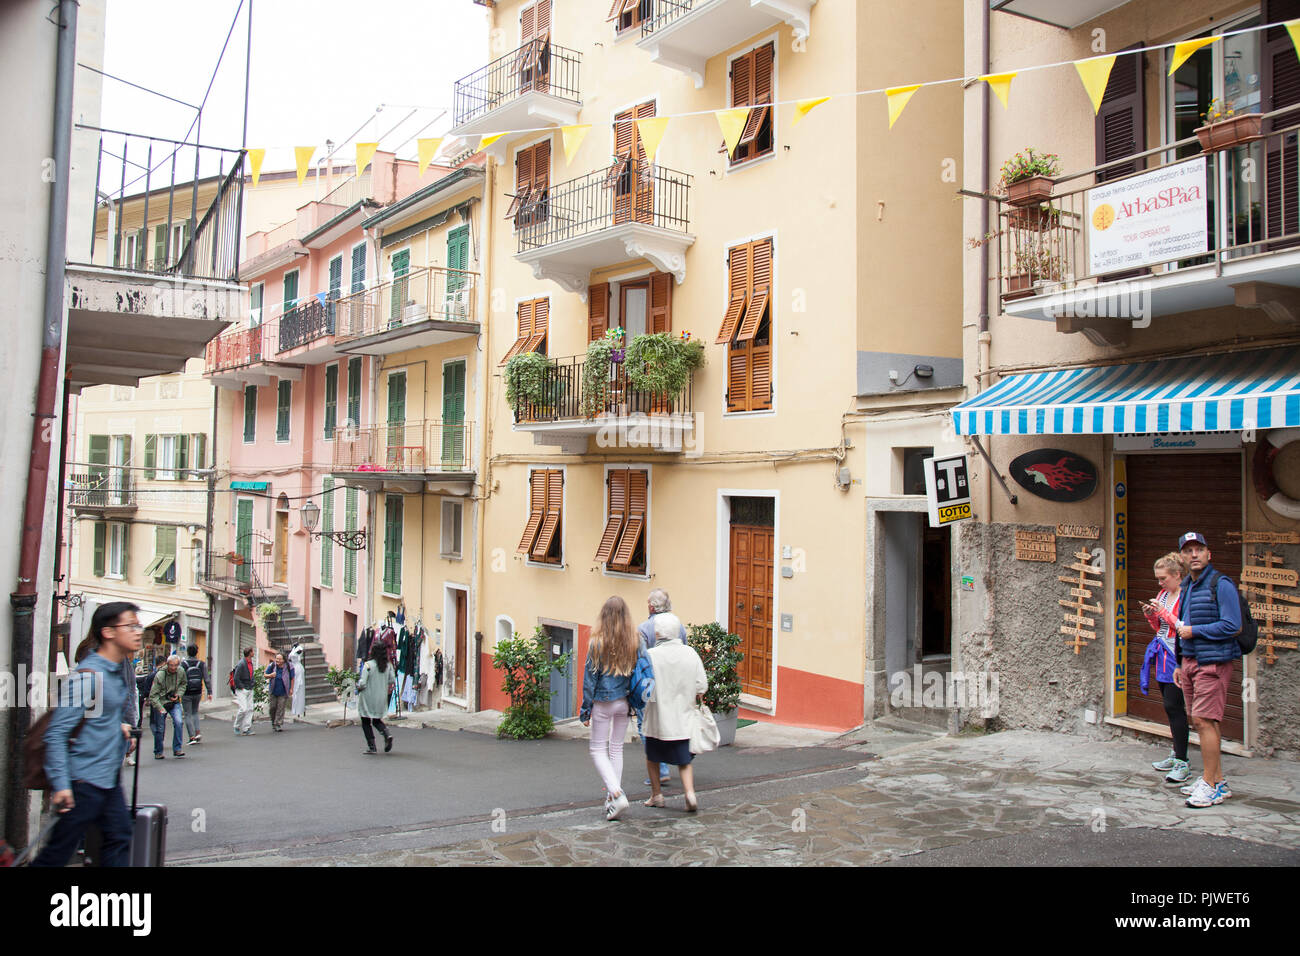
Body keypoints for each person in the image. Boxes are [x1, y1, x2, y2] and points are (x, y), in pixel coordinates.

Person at [33, 602, 141, 867]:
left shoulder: (114, 671)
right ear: (108, 632)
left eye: (137, 625)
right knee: (57, 854)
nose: (138, 631)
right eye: (131, 625)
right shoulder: (89, 676)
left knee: (119, 837)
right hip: (84, 782)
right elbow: (57, 732)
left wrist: (119, 728)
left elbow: (98, 716)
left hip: (107, 778)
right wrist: (61, 785)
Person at [1172, 532, 1243, 809]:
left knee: (1203, 720)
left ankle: (1210, 785)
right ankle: (1217, 780)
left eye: (1199, 549)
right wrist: (1179, 662)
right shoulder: (1189, 584)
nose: (1194, 554)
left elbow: (1232, 625)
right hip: (1191, 662)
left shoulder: (1221, 584)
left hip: (1212, 663)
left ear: (1208, 554)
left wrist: (1194, 632)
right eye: (1188, 550)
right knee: (1204, 722)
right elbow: (1182, 626)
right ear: (1182, 557)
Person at [641, 612, 707, 812]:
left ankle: (656, 795)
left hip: (657, 717)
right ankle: (689, 793)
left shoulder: (651, 655)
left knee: (653, 757)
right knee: (684, 760)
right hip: (682, 716)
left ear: (658, 633)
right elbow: (701, 685)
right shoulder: (690, 653)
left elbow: (645, 689)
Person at [580, 597, 639, 821]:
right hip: (623, 702)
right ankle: (612, 801)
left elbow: (590, 679)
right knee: (616, 749)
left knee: (597, 749)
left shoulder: (597, 642)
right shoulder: (634, 641)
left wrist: (585, 710)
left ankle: (616, 793)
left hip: (602, 703)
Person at [1140, 553, 1191, 784]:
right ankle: (1176, 752)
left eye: (1163, 578)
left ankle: (1183, 761)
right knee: (1169, 707)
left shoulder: (1186, 596)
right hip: (1162, 653)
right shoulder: (1163, 595)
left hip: (1177, 656)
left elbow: (1182, 626)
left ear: (1177, 575)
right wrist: (1151, 616)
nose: (1159, 583)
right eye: (1158, 579)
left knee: (1175, 705)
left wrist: (1162, 613)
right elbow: (1159, 626)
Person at [637, 588, 686, 787]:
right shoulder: (679, 626)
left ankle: (661, 767)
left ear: (651, 606)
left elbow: (640, 659)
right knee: (667, 721)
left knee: (646, 725)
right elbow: (684, 651)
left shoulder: (644, 628)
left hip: (650, 683)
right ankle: (673, 761)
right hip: (673, 682)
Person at [356, 642, 397, 754]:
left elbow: (363, 683)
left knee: (365, 720)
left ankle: (372, 746)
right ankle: (386, 733)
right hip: (381, 697)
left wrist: (357, 685)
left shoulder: (368, 665)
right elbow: (392, 680)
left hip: (368, 697)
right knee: (376, 720)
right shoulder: (388, 665)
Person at [148, 654, 187, 759]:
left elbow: (184, 684)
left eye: (176, 665)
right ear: (167, 664)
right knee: (160, 728)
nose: (173, 668)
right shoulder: (160, 675)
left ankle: (177, 749)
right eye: (171, 665)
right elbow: (153, 695)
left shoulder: (181, 672)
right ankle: (158, 751)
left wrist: (178, 694)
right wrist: (160, 708)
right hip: (161, 702)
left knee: (179, 722)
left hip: (174, 702)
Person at [181, 644, 211, 745]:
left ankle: (192, 736)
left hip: (186, 692)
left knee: (188, 714)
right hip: (198, 691)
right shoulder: (201, 664)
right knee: (195, 712)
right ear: (196, 652)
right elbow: (206, 678)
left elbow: (179, 678)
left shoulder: (183, 664)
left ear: (187, 652)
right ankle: (197, 732)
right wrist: (209, 692)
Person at [264, 652, 295, 732]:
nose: (277, 660)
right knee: (272, 707)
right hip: (273, 690)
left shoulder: (289, 666)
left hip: (283, 690)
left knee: (280, 708)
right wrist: (270, 675)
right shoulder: (272, 665)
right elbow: (265, 675)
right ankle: (273, 722)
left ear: (283, 660)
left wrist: (291, 688)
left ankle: (278, 724)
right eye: (276, 658)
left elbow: (292, 678)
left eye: (279, 659)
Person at [233, 646, 257, 736]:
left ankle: (246, 728)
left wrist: (252, 683)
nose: (254, 653)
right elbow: (236, 678)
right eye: (253, 651)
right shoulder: (241, 664)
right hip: (242, 689)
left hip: (249, 688)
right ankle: (237, 726)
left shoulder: (250, 663)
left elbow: (251, 674)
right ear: (249, 653)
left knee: (250, 708)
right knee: (243, 709)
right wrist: (242, 687)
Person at [288, 641, 307, 718]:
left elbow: (294, 655)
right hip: (293, 668)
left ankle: (299, 709)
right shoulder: (294, 648)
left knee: (299, 688)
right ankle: (295, 709)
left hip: (298, 669)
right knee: (295, 687)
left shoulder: (299, 649)